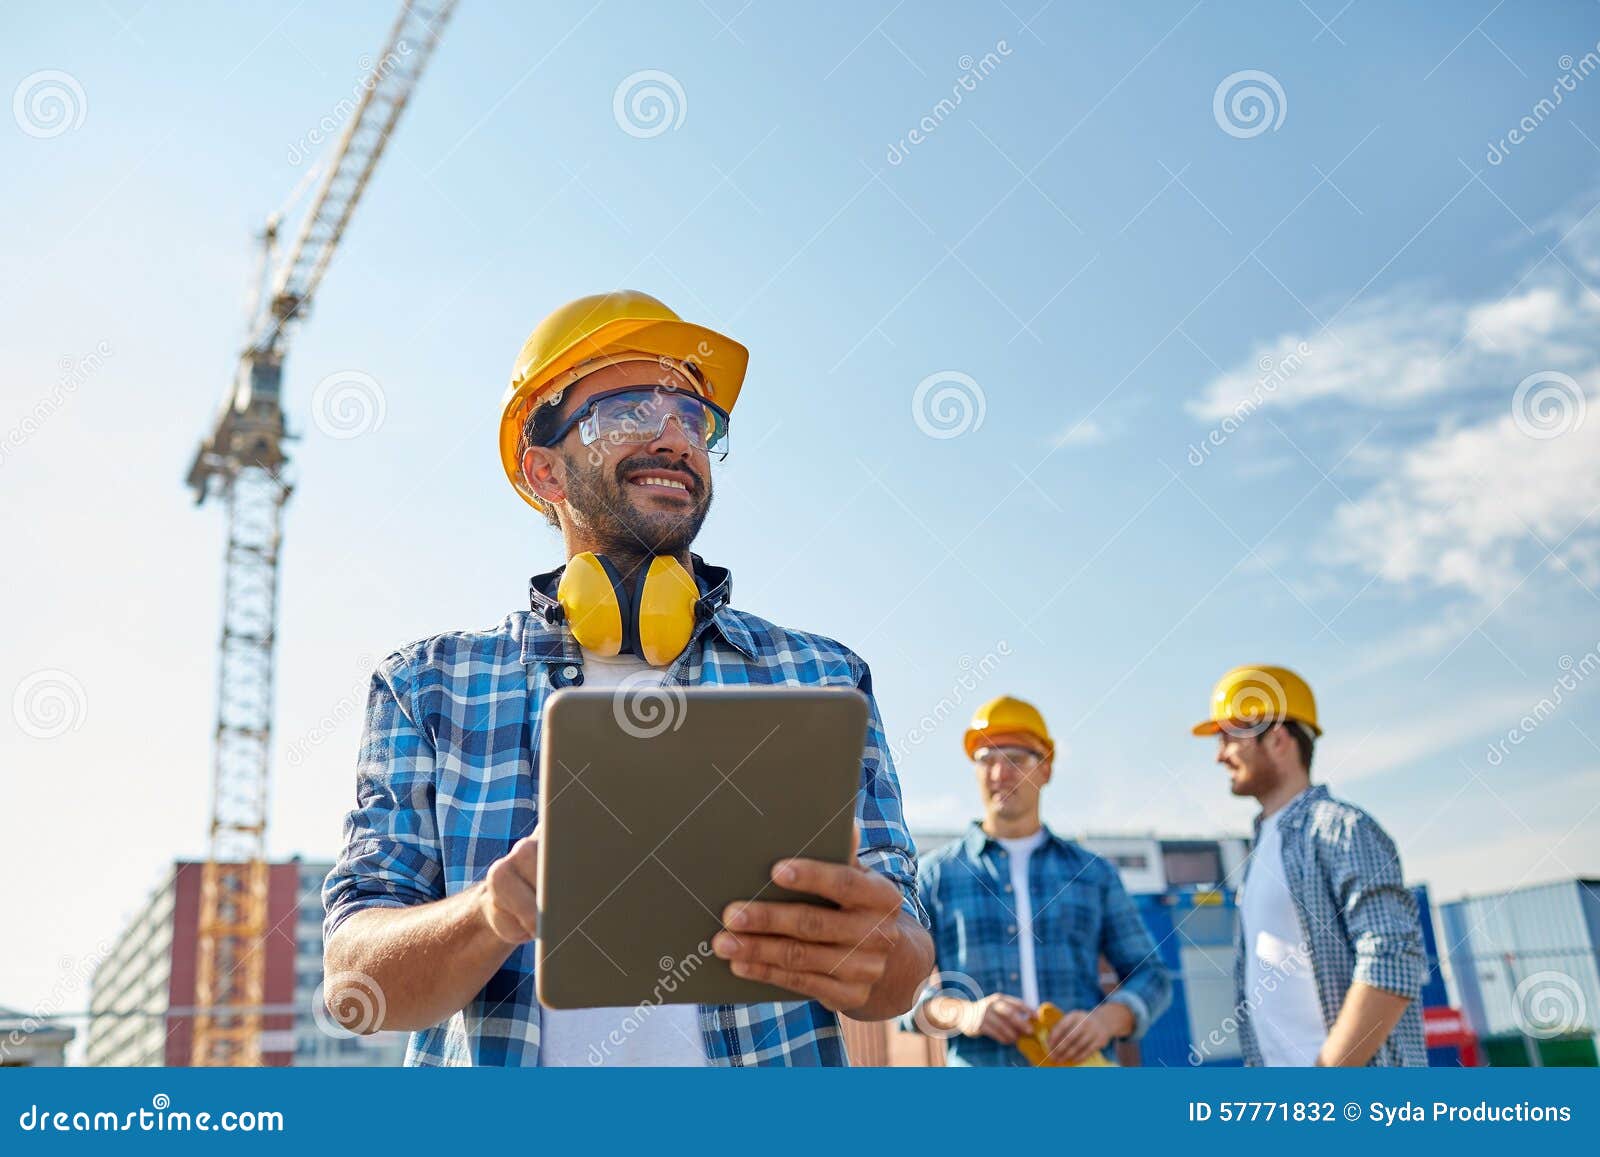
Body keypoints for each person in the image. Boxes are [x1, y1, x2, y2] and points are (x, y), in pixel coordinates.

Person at [322, 290, 933, 1066]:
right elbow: (352, 981)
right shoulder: (428, 687)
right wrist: (489, 914)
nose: (676, 437)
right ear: (545, 470)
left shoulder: (823, 677)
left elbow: (903, 962)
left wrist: (880, 951)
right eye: (628, 411)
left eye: (693, 417)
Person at [904, 696, 1172, 1065]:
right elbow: (900, 992)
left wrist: (1105, 1022)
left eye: (1016, 758)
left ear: (1045, 770)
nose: (1000, 773)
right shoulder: (936, 875)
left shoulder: (1093, 874)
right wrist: (964, 1014)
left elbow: (1152, 976)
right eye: (987, 759)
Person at [1194, 664, 1426, 1067]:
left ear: (1278, 739)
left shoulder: (1343, 830)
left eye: (1230, 737)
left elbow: (1392, 957)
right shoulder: (1263, 846)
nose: (1220, 755)